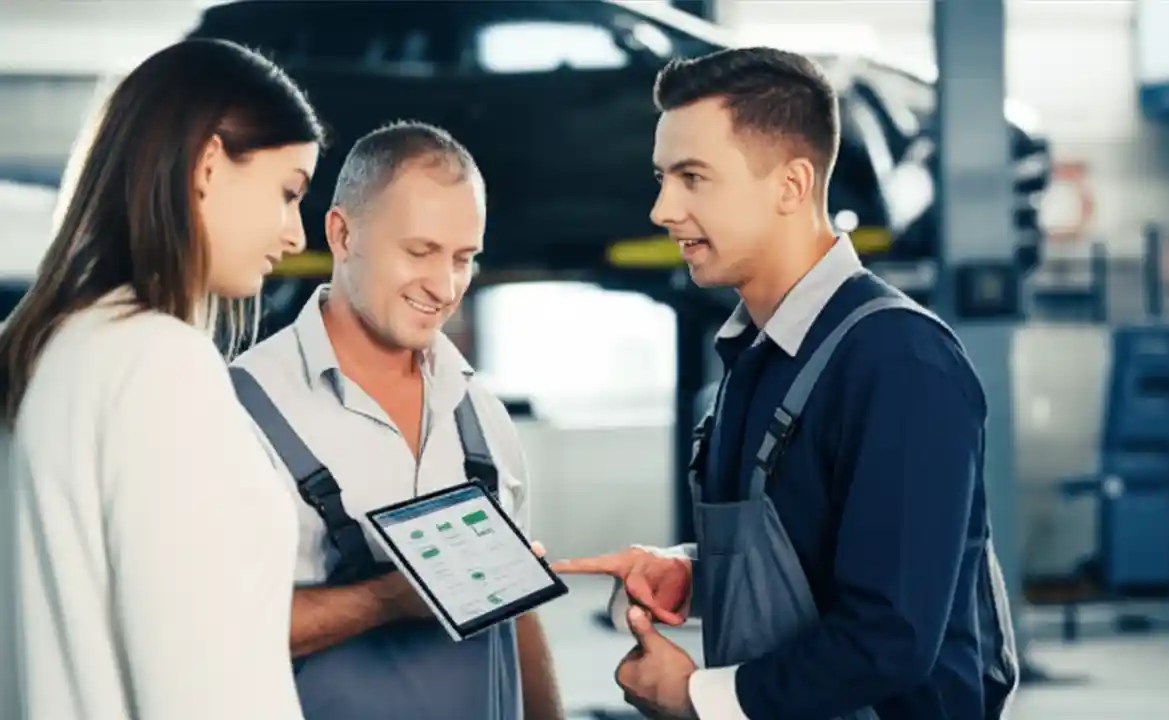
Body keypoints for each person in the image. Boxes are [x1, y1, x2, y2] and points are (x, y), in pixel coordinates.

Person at [553, 47, 1019, 720]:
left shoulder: (899, 362)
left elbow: (889, 636)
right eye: (662, 177)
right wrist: (697, 571)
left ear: (791, 186)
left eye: (692, 177)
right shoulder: (758, 355)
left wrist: (696, 698)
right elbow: (817, 555)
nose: (661, 207)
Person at [0, 39, 325, 719]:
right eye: (288, 191)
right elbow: (198, 683)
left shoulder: (45, 352)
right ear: (209, 163)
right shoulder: (159, 364)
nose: (296, 233)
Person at [229, 120, 563, 720]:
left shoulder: (478, 412)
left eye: (465, 258)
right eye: (420, 252)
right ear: (342, 233)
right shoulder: (244, 411)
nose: (444, 285)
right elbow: (217, 629)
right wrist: (389, 598)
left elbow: (519, 615)